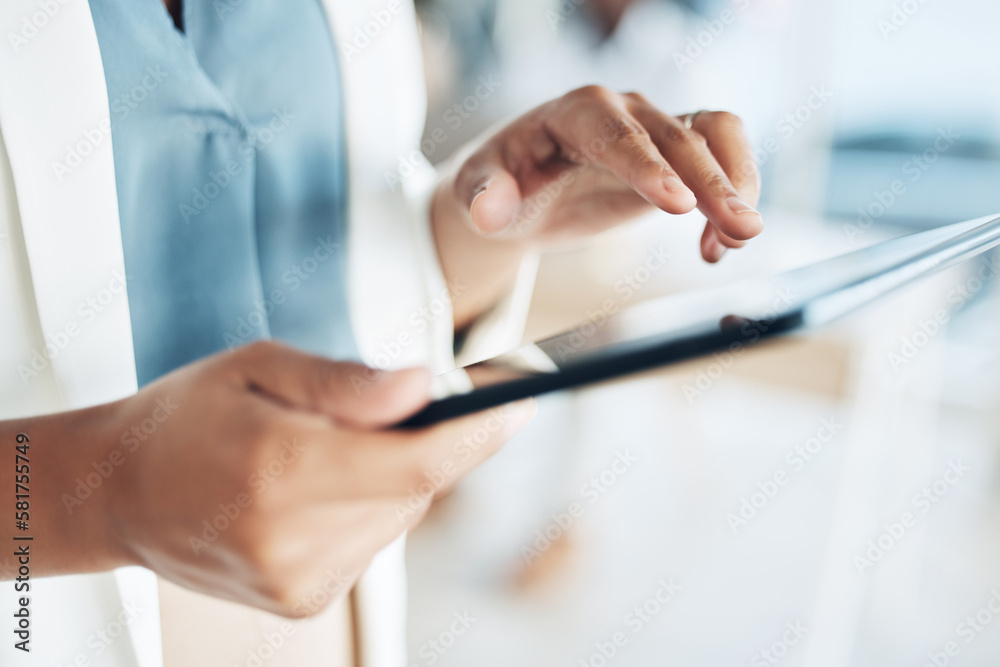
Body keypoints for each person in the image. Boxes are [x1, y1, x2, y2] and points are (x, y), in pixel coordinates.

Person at [0, 0, 763, 664]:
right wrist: (87, 495)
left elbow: (358, 283)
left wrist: (488, 231)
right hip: (43, 617)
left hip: (337, 622)